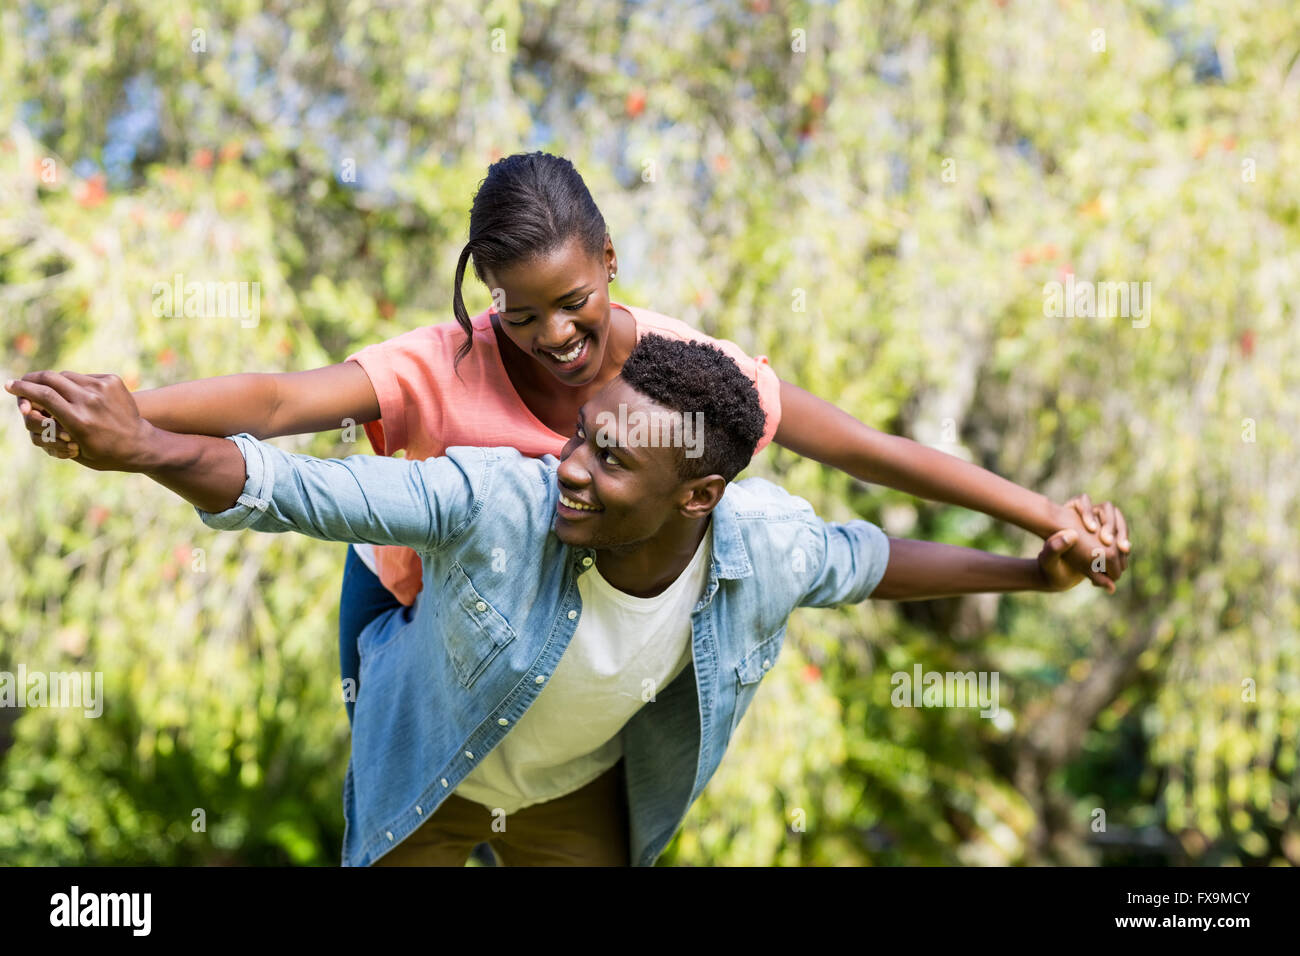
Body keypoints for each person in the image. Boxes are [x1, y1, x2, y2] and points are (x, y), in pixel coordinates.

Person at [14, 152, 1131, 729]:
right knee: (424, 777)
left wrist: (1047, 521)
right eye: (519, 310)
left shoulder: (688, 374)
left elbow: (873, 453)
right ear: (487, 293)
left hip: (582, 609)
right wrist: (131, 413)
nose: (552, 336)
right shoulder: (438, 361)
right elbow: (272, 401)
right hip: (413, 600)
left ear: (608, 257)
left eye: (575, 303)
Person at [7, 335, 1095, 867]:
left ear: (699, 494)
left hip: (578, 799)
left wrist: (1030, 569)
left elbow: (870, 557)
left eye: (611, 461)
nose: (569, 464)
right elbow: (297, 482)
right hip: (426, 772)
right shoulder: (499, 495)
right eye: (581, 434)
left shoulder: (762, 541)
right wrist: (145, 441)